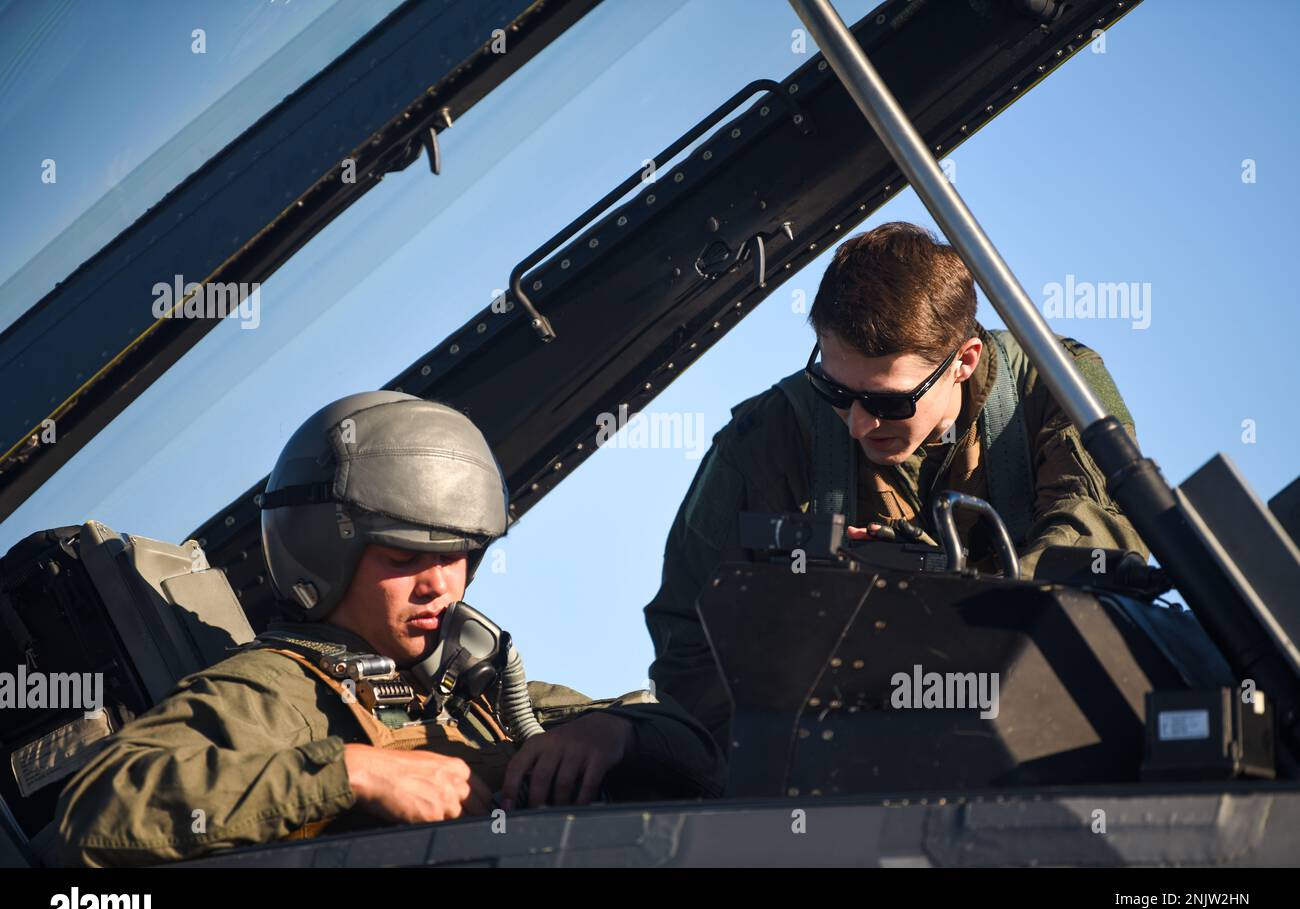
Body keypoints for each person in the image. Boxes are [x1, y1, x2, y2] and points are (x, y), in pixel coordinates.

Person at [54, 392, 723, 866]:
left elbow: (699, 750)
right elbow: (99, 809)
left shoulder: (469, 682)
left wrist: (611, 736)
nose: (441, 585)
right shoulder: (276, 686)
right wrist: (352, 772)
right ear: (323, 551)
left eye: (459, 556)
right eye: (403, 559)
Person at [645, 222, 1147, 751]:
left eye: (889, 403)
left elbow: (1101, 539)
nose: (859, 424)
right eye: (835, 391)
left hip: (1044, 744)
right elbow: (690, 648)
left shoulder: (1058, 384)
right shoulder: (763, 442)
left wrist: (946, 619)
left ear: (964, 361)